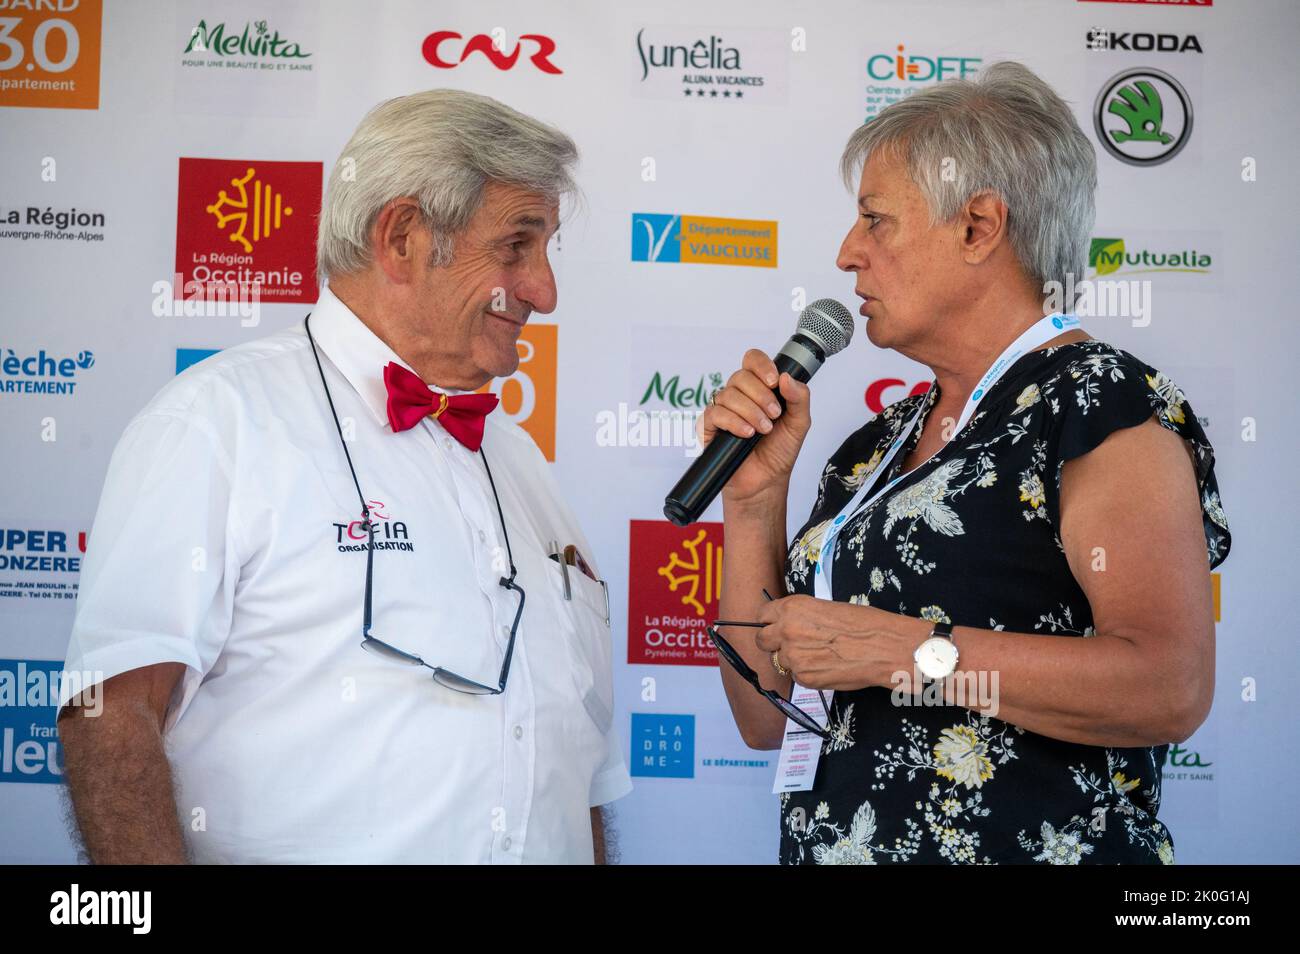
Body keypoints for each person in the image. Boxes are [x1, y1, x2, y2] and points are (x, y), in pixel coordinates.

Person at [57, 89, 630, 864]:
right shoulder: (216, 423)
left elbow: (576, 778)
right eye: (516, 246)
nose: (544, 290)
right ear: (400, 237)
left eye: (546, 250)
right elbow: (110, 716)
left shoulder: (519, 459)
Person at [702, 62, 1229, 864]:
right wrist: (752, 503)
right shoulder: (871, 449)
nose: (848, 254)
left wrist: (898, 650)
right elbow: (767, 717)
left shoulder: (1098, 400)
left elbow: (1167, 686)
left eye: (876, 221)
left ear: (979, 226)